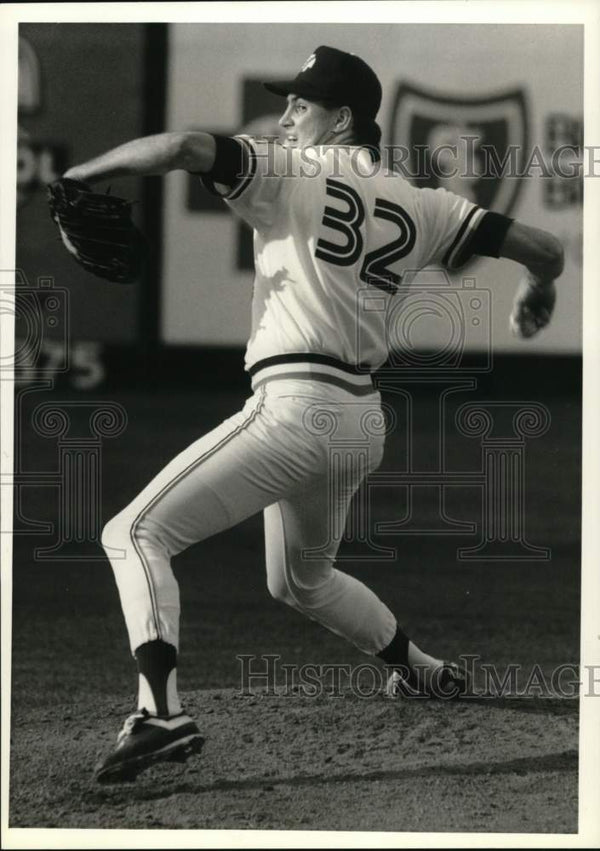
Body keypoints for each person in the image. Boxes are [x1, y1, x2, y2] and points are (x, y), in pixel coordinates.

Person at [62, 46, 563, 783]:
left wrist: (79, 173)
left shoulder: (288, 167)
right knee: (301, 578)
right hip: (361, 421)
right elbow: (545, 247)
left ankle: (161, 711)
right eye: (289, 101)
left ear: (343, 119)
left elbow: (181, 146)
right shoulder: (425, 202)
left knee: (133, 532)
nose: (289, 113)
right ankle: (418, 668)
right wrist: (537, 292)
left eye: (303, 103)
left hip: (294, 410)